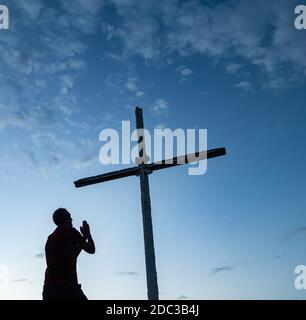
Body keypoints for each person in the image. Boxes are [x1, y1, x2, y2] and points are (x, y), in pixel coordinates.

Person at [42, 208, 95, 300]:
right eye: (70, 217)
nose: (72, 220)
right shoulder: (71, 232)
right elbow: (91, 249)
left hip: (49, 289)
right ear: (66, 219)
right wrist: (88, 234)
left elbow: (71, 257)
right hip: (68, 287)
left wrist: (83, 238)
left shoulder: (50, 238)